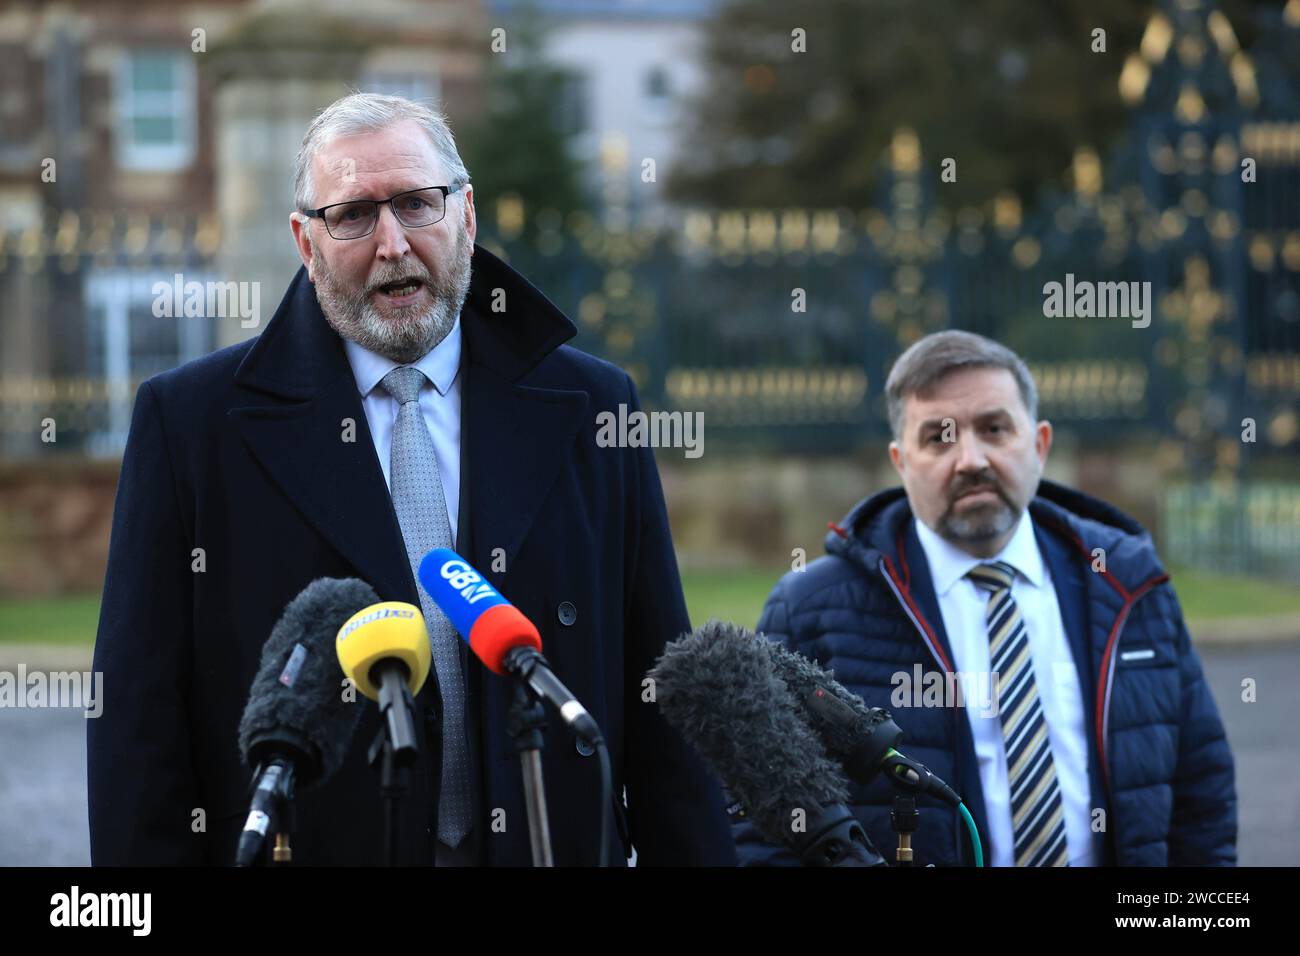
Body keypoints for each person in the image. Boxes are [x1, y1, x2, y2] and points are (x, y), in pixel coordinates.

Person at [87, 92, 736, 866]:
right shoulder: (191, 424)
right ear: (305, 241)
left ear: (465, 216)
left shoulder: (595, 405)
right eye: (354, 215)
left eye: (416, 205)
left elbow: (660, 694)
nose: (392, 243)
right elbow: (138, 726)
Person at [734, 330, 1236, 866]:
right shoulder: (812, 611)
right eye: (939, 437)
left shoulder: (1128, 582)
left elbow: (1200, 796)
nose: (971, 459)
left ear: (1039, 445)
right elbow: (763, 823)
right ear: (901, 462)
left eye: (995, 429)